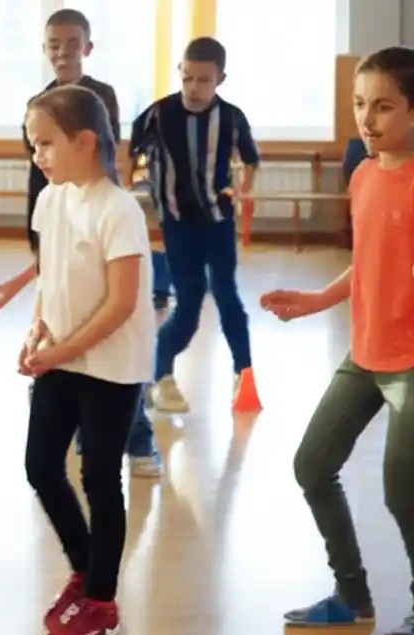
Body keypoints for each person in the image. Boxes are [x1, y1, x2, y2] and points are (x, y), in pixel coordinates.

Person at [261, 46, 414, 635]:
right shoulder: (364, 175)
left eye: (384, 106)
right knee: (312, 466)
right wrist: (318, 299)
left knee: (402, 487)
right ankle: (352, 597)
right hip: (365, 353)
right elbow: (369, 261)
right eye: (360, 104)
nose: (367, 119)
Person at [0, 8, 162, 478]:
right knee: (66, 339)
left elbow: (104, 163)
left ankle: (138, 440)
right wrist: (25, 277)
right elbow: (43, 194)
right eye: (53, 45)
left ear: (87, 47)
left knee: (109, 360)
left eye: (71, 43)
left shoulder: (99, 101)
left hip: (95, 233)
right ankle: (77, 424)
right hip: (60, 228)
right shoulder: (39, 111)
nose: (62, 52)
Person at [10, 85, 155, 635]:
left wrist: (62, 350)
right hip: (61, 355)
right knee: (41, 465)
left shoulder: (119, 210)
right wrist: (37, 329)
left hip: (111, 366)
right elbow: (50, 276)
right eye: (33, 144)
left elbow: (121, 303)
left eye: (46, 143)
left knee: (98, 476)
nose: (37, 155)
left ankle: (101, 599)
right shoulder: (52, 199)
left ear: (85, 141)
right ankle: (85, 565)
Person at [125, 37, 260, 413]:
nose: (194, 88)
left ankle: (244, 374)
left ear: (220, 79)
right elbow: (128, 149)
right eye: (187, 78)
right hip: (178, 224)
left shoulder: (231, 118)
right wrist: (124, 187)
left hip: (218, 222)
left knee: (228, 295)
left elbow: (250, 159)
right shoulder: (159, 113)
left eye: (203, 80)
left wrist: (243, 189)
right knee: (188, 305)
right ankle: (160, 375)